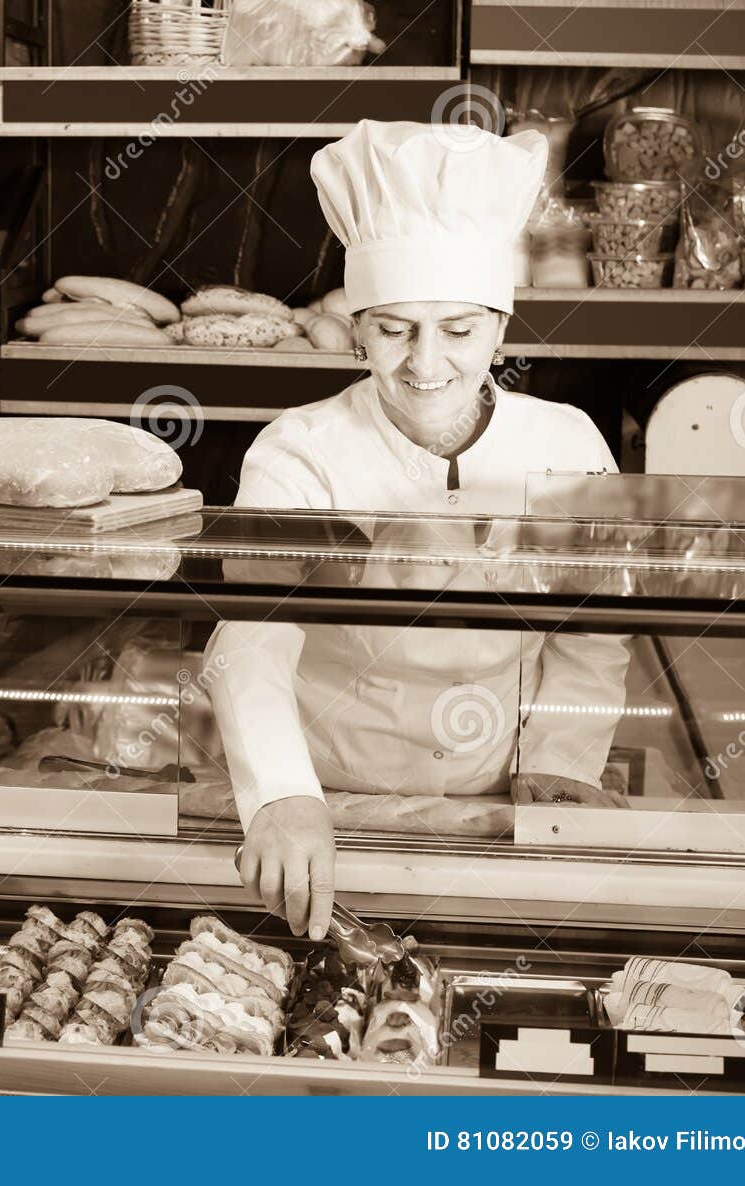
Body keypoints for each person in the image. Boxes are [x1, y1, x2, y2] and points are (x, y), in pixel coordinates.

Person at [206, 121, 632, 942]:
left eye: (459, 330)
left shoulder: (568, 443)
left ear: (502, 328)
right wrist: (281, 792)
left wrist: (558, 767)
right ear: (357, 326)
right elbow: (254, 630)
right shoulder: (298, 451)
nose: (425, 363)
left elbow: (591, 631)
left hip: (501, 796)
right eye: (395, 328)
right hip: (331, 798)